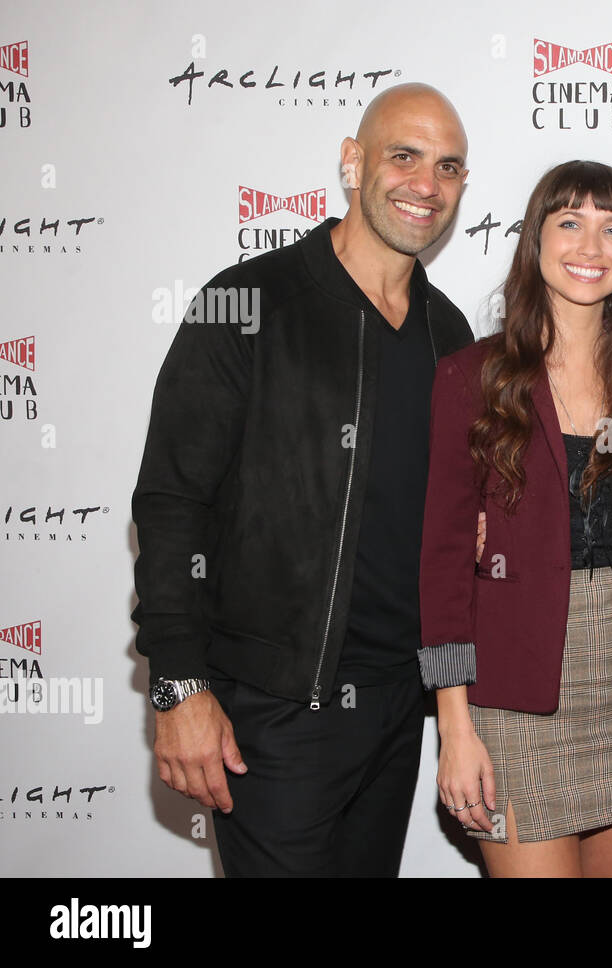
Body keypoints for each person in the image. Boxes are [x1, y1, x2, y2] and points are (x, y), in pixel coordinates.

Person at [132, 84, 474, 876]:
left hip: (395, 706)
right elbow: (172, 504)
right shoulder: (247, 302)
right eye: (404, 155)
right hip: (274, 708)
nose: (426, 183)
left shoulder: (448, 335)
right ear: (352, 164)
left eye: (449, 166)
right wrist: (177, 686)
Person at [419, 160, 612, 878]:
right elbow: (442, 564)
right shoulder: (472, 379)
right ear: (535, 241)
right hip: (512, 702)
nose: (590, 246)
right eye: (570, 222)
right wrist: (454, 725)